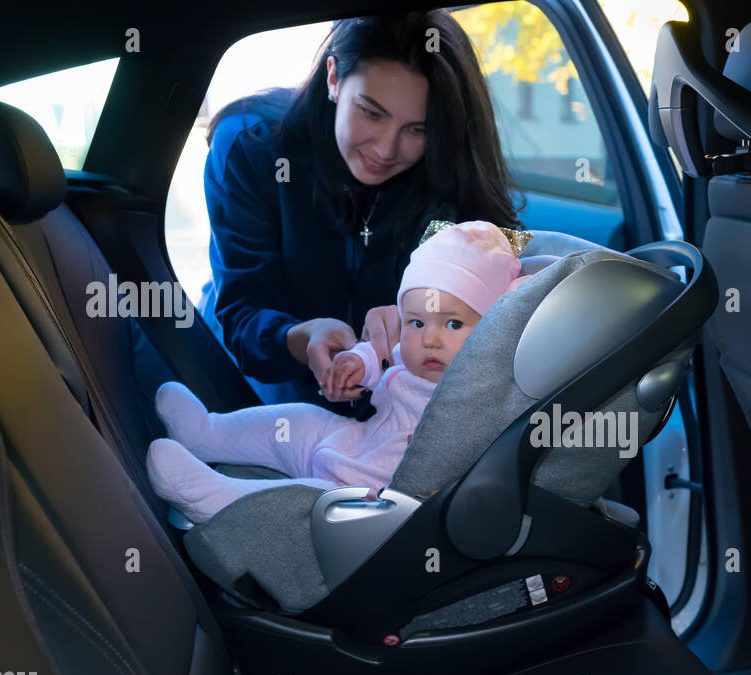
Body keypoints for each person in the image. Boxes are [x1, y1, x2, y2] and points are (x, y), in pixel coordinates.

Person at [202, 13, 522, 413]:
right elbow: (244, 314)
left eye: (417, 130)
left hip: (393, 394)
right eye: (371, 112)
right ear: (333, 78)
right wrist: (301, 336)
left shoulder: (448, 173)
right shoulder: (252, 149)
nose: (386, 150)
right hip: (264, 384)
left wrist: (420, 314)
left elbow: (486, 285)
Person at [147, 221, 532, 523]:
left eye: (452, 325)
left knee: (309, 500)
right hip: (357, 441)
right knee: (301, 420)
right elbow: (384, 355)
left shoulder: (483, 388)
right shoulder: (414, 354)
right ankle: (206, 433)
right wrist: (356, 363)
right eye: (416, 322)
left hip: (377, 493)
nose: (429, 339)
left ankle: (213, 497)